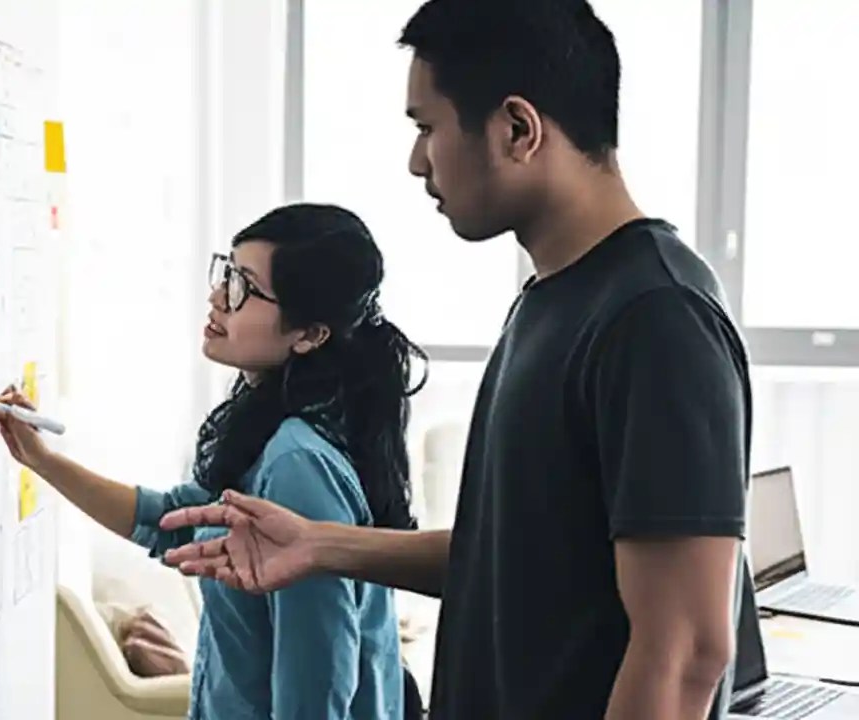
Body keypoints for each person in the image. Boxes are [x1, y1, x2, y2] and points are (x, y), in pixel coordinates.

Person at [158, 1, 753, 719]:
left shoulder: (655, 316)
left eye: (427, 127)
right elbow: (511, 559)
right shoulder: (552, 301)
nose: (417, 161)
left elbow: (687, 652)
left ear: (515, 129)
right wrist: (324, 546)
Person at [0, 202, 429, 719]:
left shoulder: (297, 465)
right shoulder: (269, 425)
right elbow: (168, 520)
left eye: (244, 288)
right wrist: (40, 459)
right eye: (227, 274)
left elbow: (317, 687)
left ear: (309, 334)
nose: (218, 298)